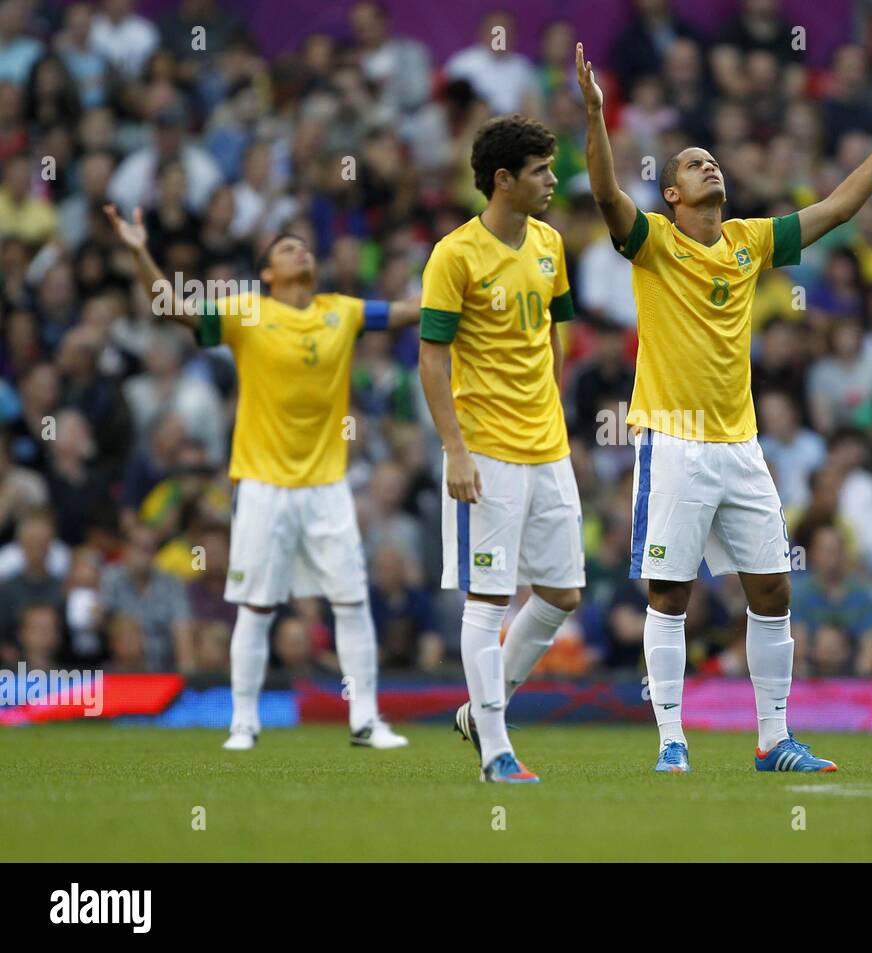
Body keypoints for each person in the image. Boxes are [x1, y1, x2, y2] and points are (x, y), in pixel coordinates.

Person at [576, 41, 872, 773]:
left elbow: (837, 207)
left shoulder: (748, 243)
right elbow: (608, 196)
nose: (711, 166)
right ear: (672, 194)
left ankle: (773, 738)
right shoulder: (653, 245)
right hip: (673, 441)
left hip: (740, 446)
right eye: (694, 163)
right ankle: (672, 737)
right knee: (670, 593)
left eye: (714, 160)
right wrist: (595, 118)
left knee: (772, 587)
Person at [104, 203, 421, 751]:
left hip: (327, 486)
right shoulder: (247, 312)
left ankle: (365, 720)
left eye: (303, 245)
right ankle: (244, 721)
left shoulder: (341, 311)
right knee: (255, 605)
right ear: (268, 273)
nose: (300, 249)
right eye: (285, 248)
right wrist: (138, 251)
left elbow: (411, 311)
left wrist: (464, 280)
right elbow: (170, 306)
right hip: (261, 484)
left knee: (350, 601)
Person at [418, 114, 584, 784]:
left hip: (547, 447)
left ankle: (479, 711)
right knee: (488, 598)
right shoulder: (454, 255)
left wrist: (547, 396)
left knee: (562, 593)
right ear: (503, 179)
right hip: (485, 449)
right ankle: (496, 749)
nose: (552, 179)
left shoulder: (549, 242)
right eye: (540, 170)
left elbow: (557, 332)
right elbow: (431, 359)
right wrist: (454, 449)